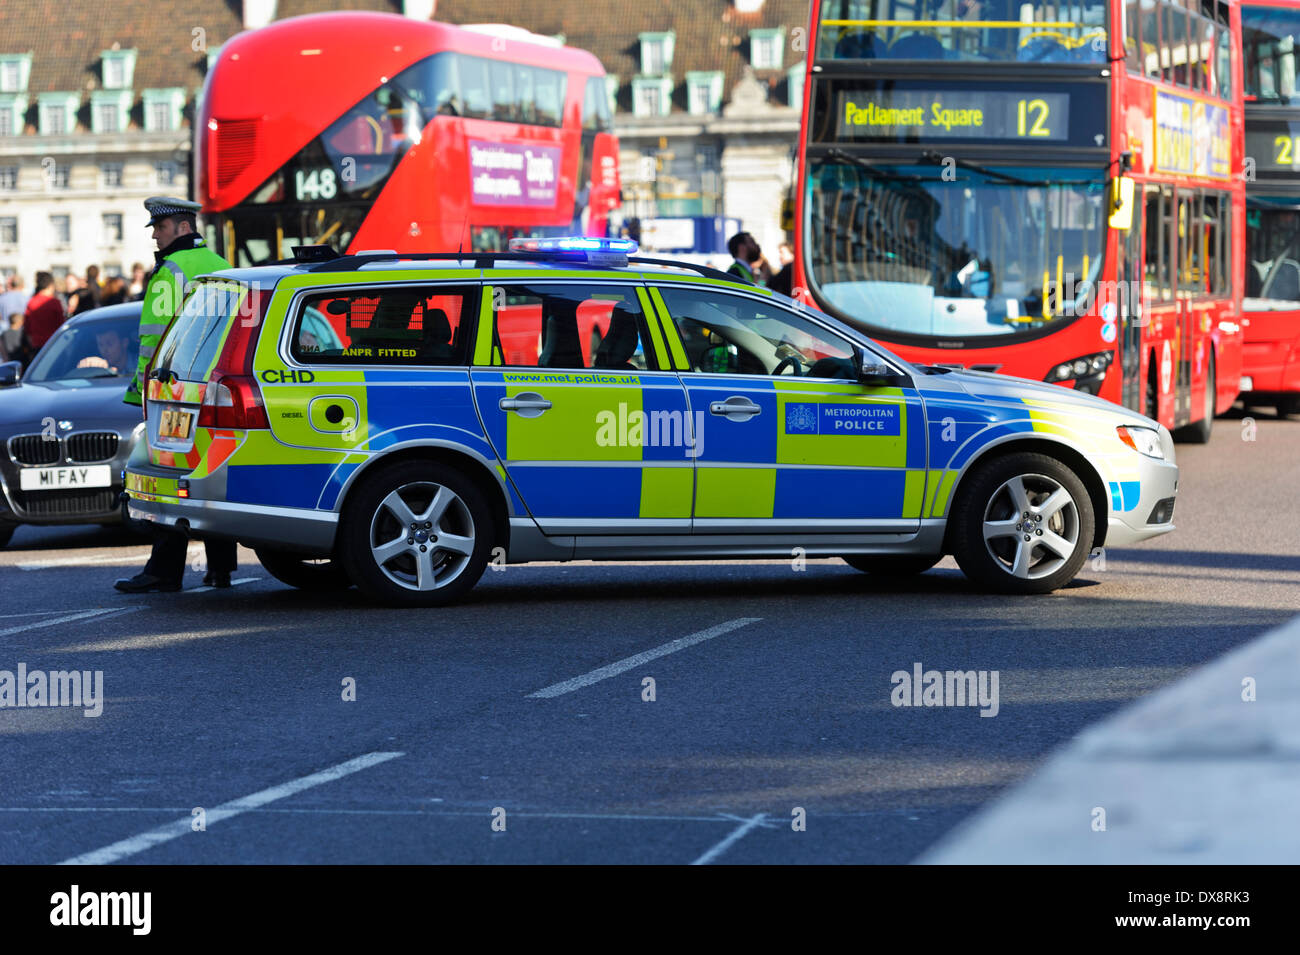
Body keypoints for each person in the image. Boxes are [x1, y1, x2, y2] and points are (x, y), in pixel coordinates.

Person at [115, 196, 238, 594]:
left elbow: (154, 338)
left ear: (183, 228)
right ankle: (220, 569)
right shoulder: (223, 266)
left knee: (168, 478)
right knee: (209, 476)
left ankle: (164, 572)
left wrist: (141, 390)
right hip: (213, 386)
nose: (155, 236)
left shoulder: (170, 271)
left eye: (160, 228)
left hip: (173, 391)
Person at [23, 271, 66, 352]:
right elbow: (61, 325)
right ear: (51, 285)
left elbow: (27, 327)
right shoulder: (55, 303)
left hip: (37, 344)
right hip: (53, 343)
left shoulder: (31, 302)